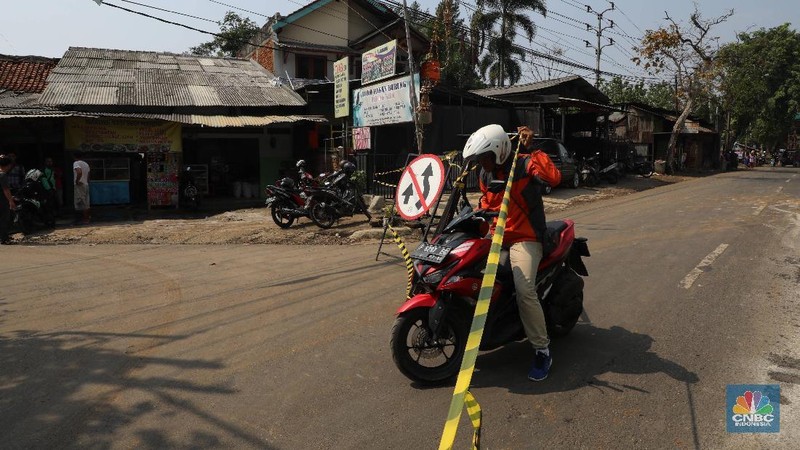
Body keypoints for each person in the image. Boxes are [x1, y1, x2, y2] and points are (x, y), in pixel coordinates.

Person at [462, 124, 561, 381]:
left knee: (525, 290)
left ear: (499, 151)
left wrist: (532, 148)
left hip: (525, 238)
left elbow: (554, 178)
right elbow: (486, 206)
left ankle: (542, 349)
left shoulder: (525, 165)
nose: (482, 163)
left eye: (485, 157)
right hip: (496, 238)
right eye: (479, 159)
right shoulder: (485, 175)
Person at [0, 155, 17, 244]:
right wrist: (11, 201)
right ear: (8, 165)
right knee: (4, 219)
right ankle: (4, 239)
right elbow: (6, 190)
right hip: (2, 201)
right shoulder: (3, 175)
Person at [73, 152, 91, 225]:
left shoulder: (76, 163)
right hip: (86, 184)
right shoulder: (86, 164)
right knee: (86, 202)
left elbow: (79, 172)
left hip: (80, 185)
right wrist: (85, 181)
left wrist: (77, 181)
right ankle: (87, 219)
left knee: (80, 202)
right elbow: (88, 176)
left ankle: (81, 219)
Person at [41, 157, 58, 222]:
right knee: (49, 204)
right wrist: (48, 189)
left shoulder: (52, 169)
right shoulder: (44, 170)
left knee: (54, 203)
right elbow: (44, 180)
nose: (50, 163)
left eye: (51, 161)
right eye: (48, 161)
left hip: (53, 188)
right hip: (48, 189)